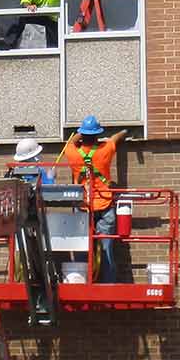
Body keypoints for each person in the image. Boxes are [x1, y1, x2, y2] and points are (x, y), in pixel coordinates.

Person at [60, 115, 128, 284]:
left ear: (83, 135)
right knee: (106, 248)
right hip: (104, 205)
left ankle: (83, 281)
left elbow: (71, 142)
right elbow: (116, 138)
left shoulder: (72, 153)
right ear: (97, 135)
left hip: (83, 205)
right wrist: (125, 132)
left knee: (82, 247)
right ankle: (108, 284)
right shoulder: (105, 150)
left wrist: (80, 133)